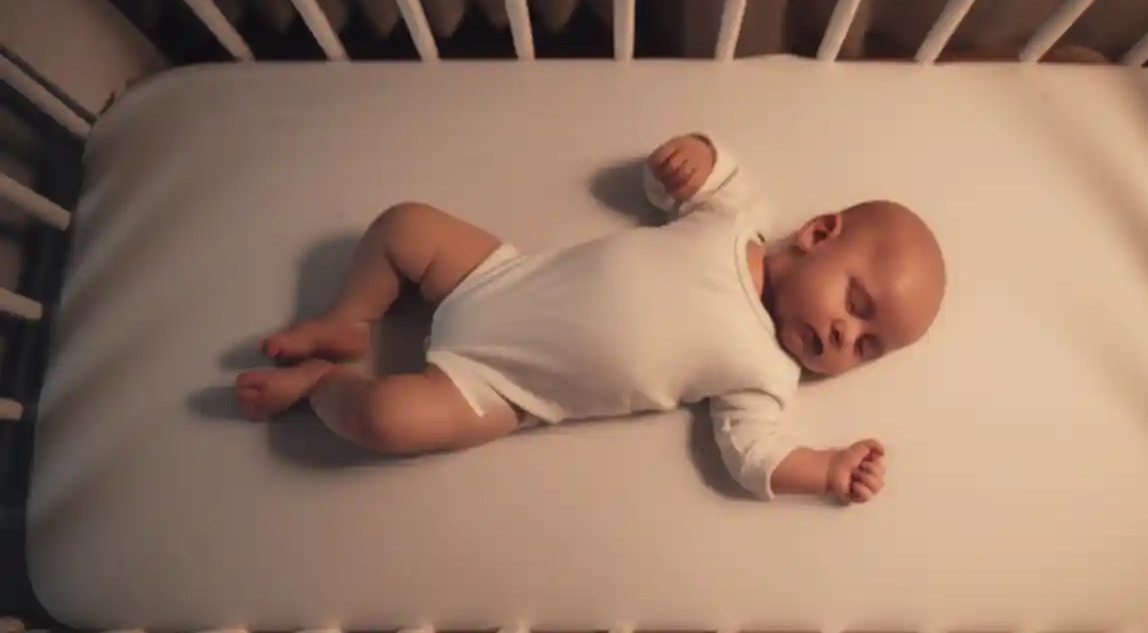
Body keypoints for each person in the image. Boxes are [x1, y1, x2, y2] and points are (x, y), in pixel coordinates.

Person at [236, 133, 945, 504]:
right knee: (405, 225)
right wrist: (690, 160)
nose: (847, 336)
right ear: (819, 235)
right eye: (856, 306)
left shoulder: (764, 376)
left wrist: (824, 470)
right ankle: (347, 321)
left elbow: (753, 458)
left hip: (503, 391)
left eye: (868, 347)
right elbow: (686, 177)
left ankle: (320, 386)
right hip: (498, 278)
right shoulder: (739, 218)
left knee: (386, 420)